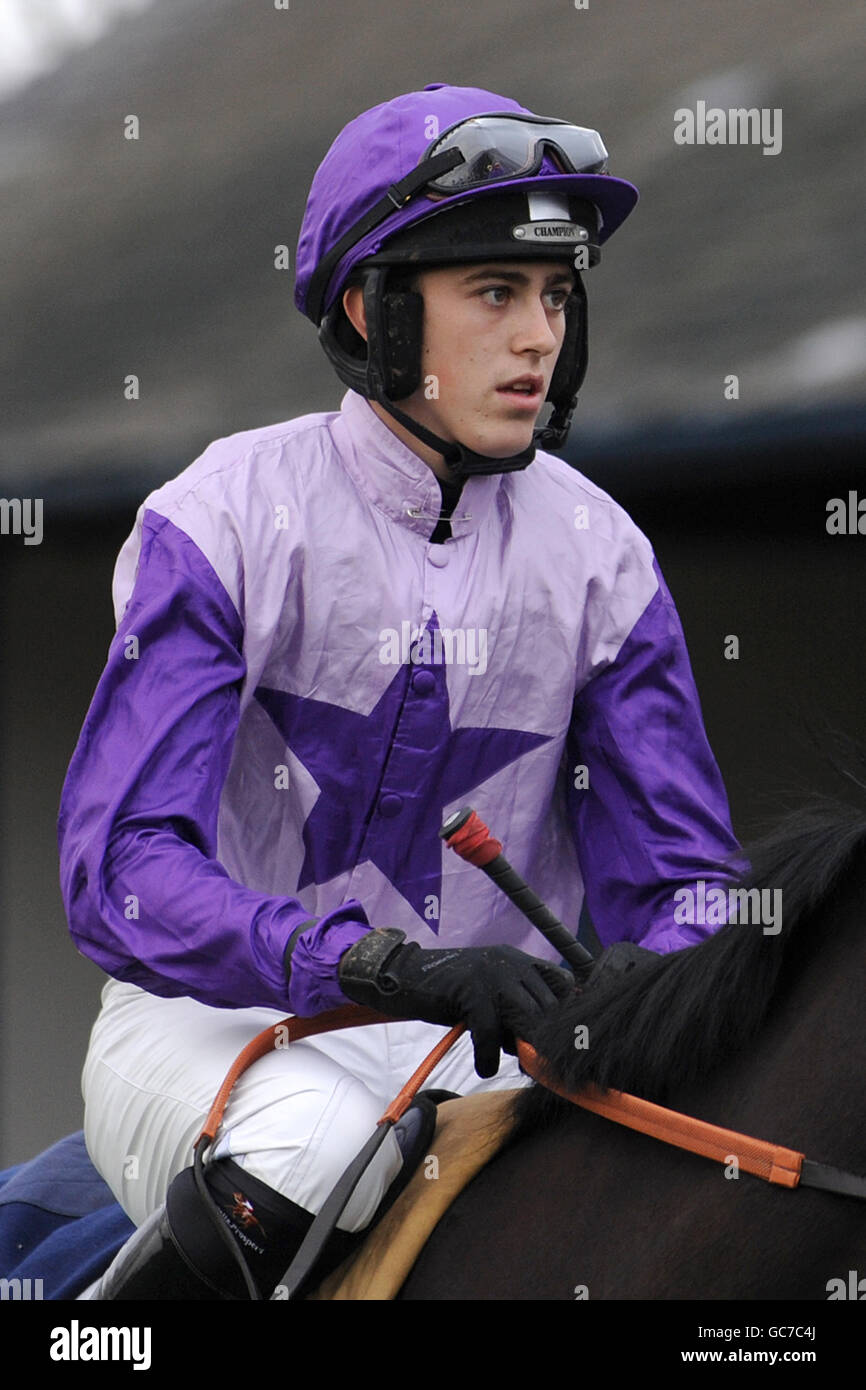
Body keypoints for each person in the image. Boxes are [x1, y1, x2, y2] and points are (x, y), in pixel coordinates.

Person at [58, 83, 741, 1300]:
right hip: (223, 1019)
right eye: (494, 294)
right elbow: (118, 872)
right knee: (314, 1151)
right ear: (373, 313)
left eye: (555, 296)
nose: (538, 338)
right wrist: (374, 967)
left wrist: (654, 979)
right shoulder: (218, 519)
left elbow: (684, 883)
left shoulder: (604, 557)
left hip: (490, 1044)